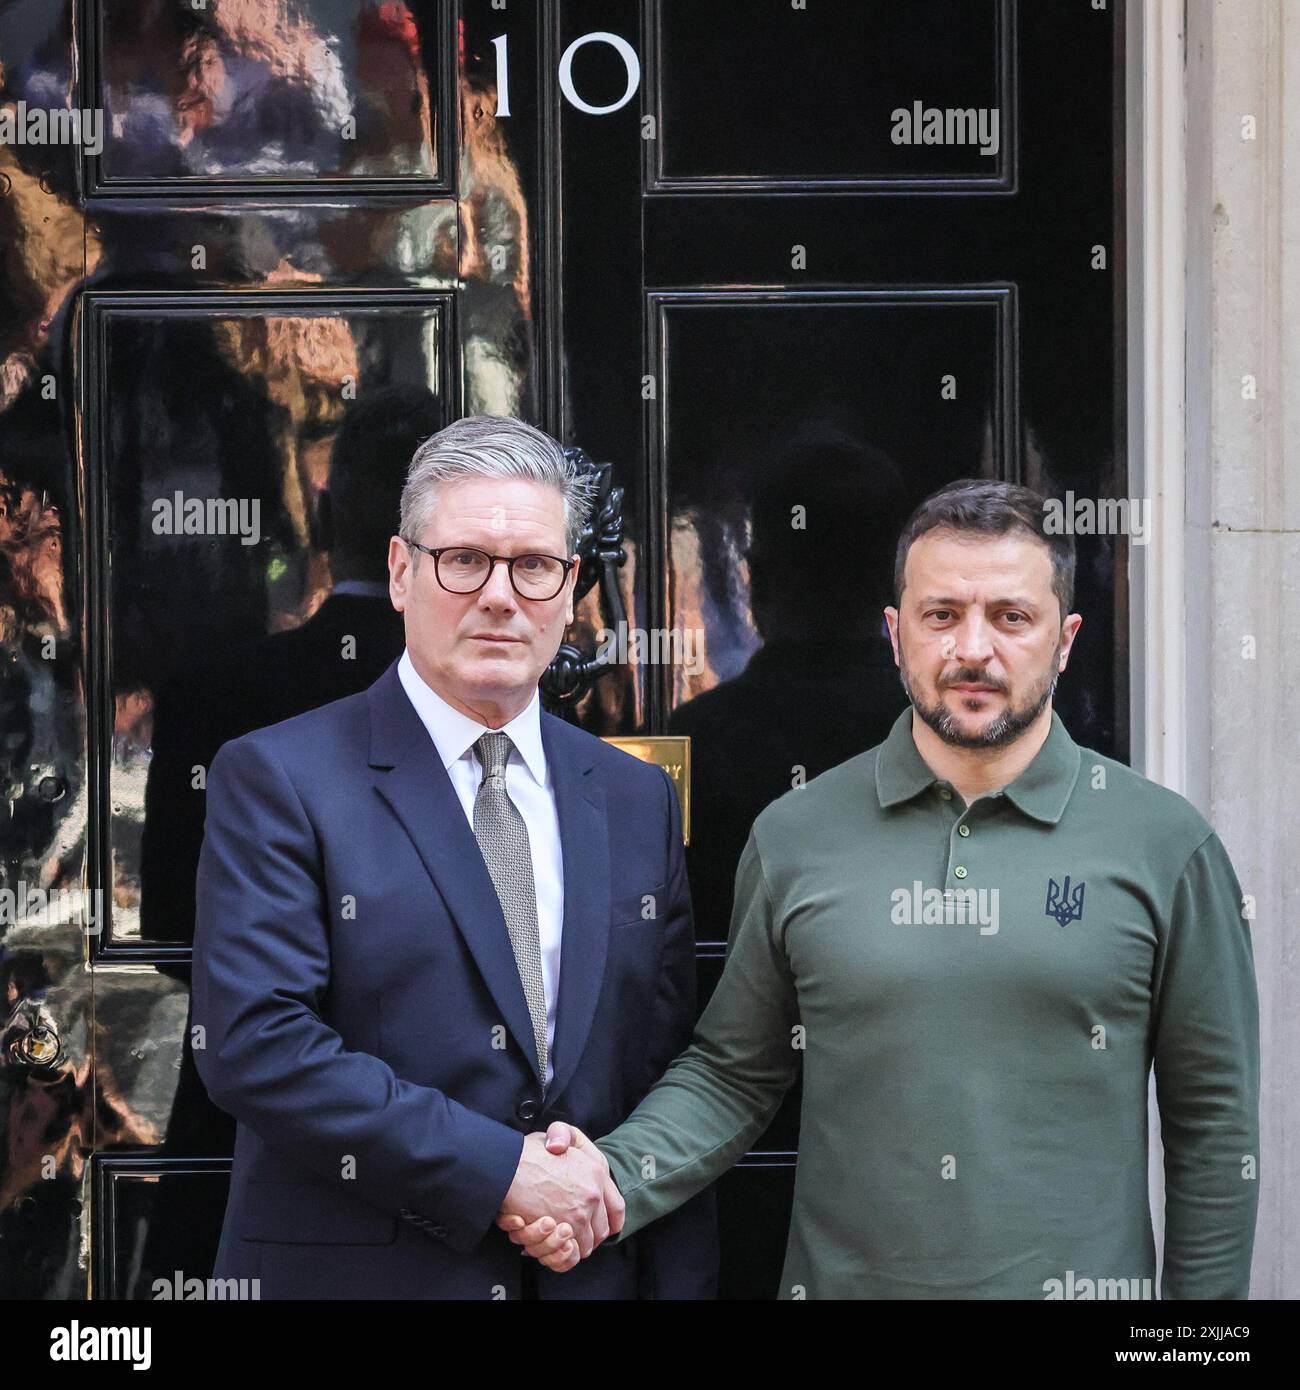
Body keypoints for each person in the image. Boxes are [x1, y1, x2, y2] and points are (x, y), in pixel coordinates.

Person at [501, 478, 1260, 1300]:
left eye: (1011, 616)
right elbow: (733, 1074)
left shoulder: (1165, 845)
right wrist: (604, 1178)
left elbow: (1214, 1130)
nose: (973, 649)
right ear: (896, 635)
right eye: (942, 616)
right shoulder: (796, 835)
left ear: (1065, 639)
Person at [192, 414, 716, 1299]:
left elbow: (657, 1072)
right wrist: (501, 1171)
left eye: (534, 566)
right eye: (464, 559)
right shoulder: (279, 777)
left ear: (571, 585)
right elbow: (256, 1044)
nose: (501, 596)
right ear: (401, 570)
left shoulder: (633, 800)